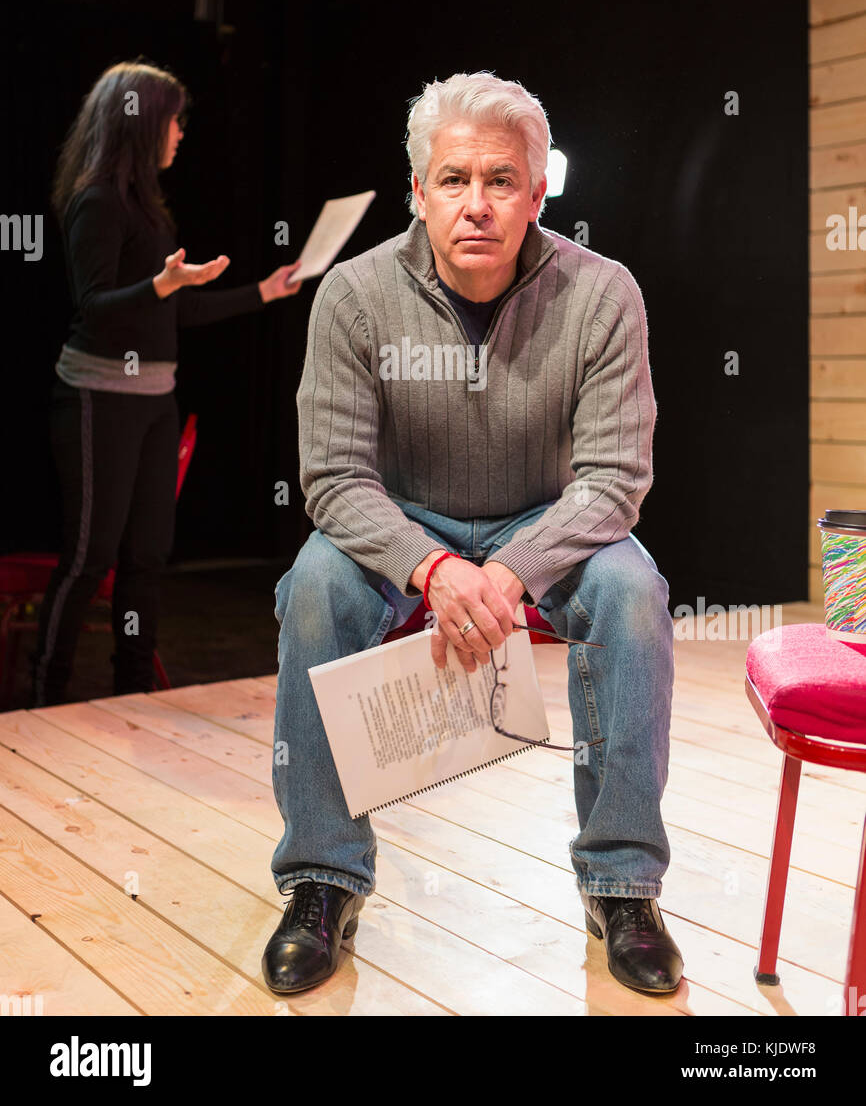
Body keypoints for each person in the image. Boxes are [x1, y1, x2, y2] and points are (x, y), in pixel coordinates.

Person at [263, 70, 682, 999]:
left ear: (539, 192)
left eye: (502, 181)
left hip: (548, 519)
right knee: (318, 586)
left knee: (634, 591)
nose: (478, 205)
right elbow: (334, 477)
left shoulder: (604, 293)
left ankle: (622, 885)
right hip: (404, 521)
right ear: (417, 192)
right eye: (453, 180)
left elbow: (615, 479)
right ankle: (322, 878)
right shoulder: (355, 296)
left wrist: (513, 570)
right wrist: (434, 565)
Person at [31, 60, 301, 707]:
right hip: (99, 399)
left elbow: (172, 308)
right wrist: (161, 284)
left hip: (155, 400)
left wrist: (263, 292)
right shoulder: (95, 198)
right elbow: (94, 305)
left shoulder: (148, 207)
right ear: (145, 121)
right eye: (175, 119)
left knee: (148, 558)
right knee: (88, 557)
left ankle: (131, 698)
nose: (181, 132)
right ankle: (44, 701)